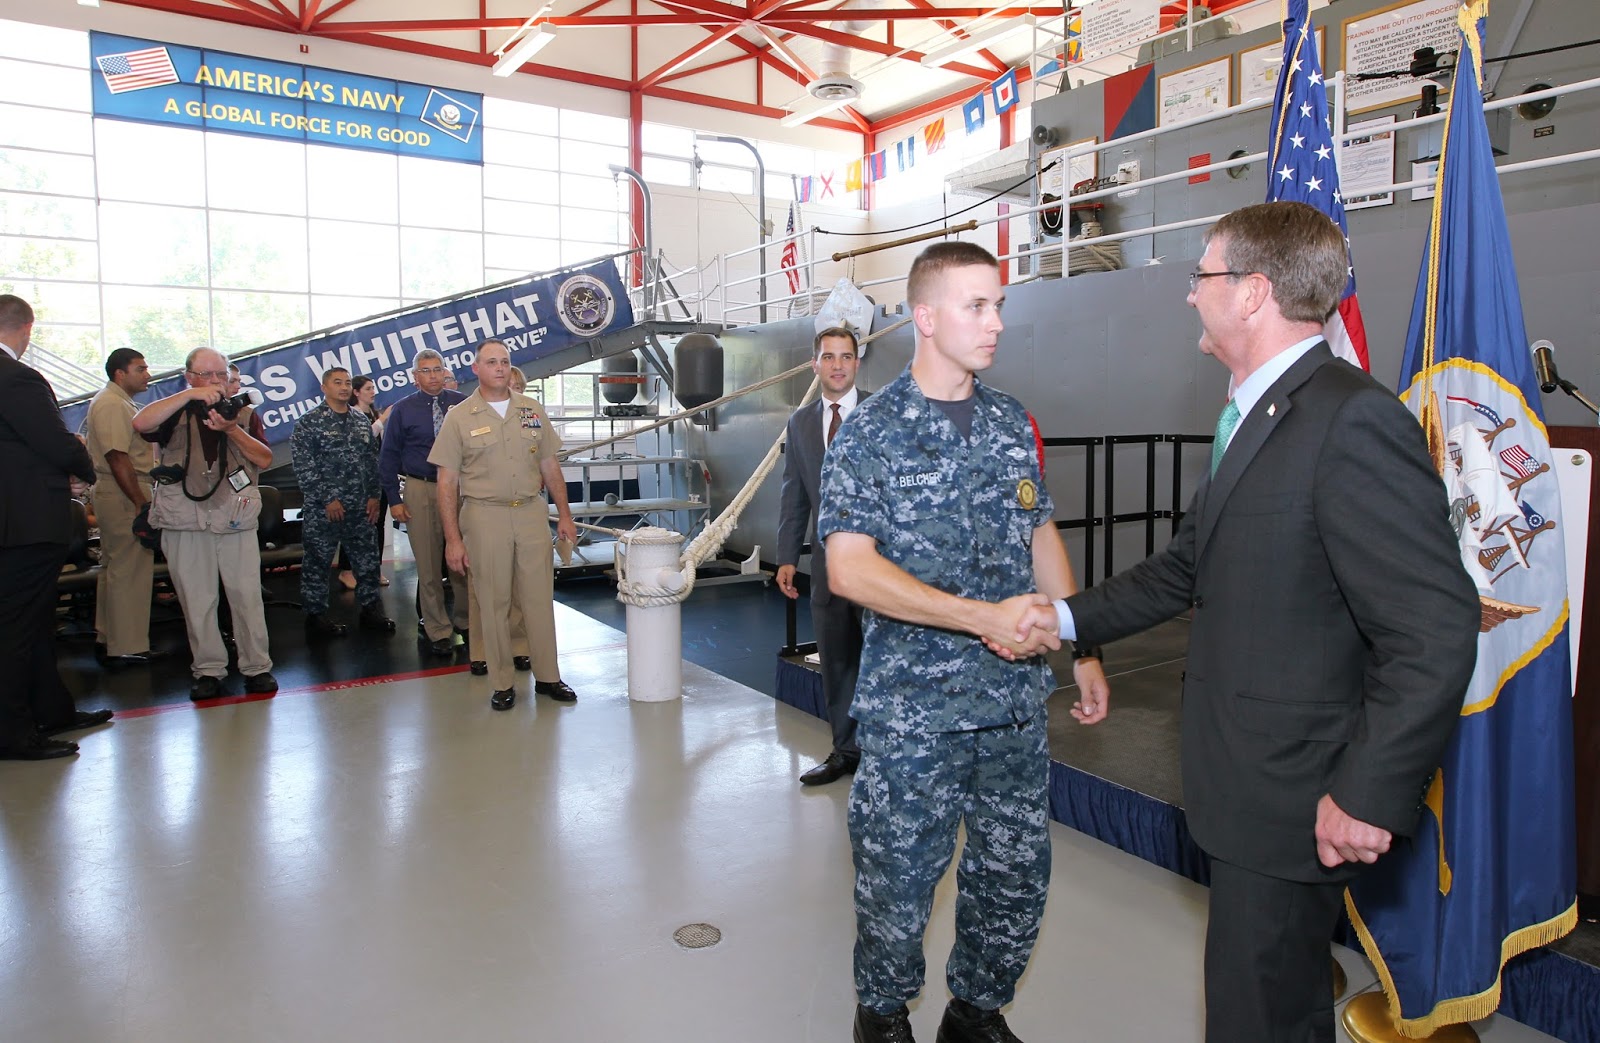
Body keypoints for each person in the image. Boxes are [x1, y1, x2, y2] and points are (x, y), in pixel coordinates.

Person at [1041, 201, 1480, 1043]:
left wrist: (1367, 792)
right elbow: (1184, 568)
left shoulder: (1351, 420)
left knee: (1259, 1016)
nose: (1189, 296)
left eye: (1201, 275)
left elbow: (1434, 629)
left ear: (1251, 292)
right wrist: (1058, 617)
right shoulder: (1258, 415)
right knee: (1267, 1006)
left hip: (1298, 795)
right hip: (1247, 790)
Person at [818, 243, 1109, 1043]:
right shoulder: (873, 431)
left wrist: (1081, 643)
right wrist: (977, 616)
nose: (996, 323)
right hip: (915, 713)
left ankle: (975, 1014)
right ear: (926, 316)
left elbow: (1040, 531)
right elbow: (849, 568)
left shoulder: (1012, 420)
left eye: (999, 305)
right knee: (897, 883)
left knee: (1013, 877)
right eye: (977, 306)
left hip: (1013, 708)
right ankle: (882, 1018)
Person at [430, 340, 578, 710]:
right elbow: (446, 483)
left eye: (505, 362)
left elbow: (549, 466)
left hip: (530, 511)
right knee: (494, 601)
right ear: (476, 369)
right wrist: (453, 540)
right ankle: (502, 681)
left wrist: (564, 515)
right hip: (484, 516)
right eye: (491, 362)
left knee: (539, 598)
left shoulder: (531, 409)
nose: (500, 368)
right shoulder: (460, 417)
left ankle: (548, 676)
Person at [0, 294, 113, 759]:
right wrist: (81, 461)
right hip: (26, 521)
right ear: (27, 328)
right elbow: (56, 441)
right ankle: (12, 734)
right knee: (17, 631)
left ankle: (53, 710)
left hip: (13, 518)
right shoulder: (17, 378)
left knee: (34, 622)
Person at [133, 346, 279, 701]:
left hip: (235, 515)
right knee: (197, 599)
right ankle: (208, 669)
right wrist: (189, 397)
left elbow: (264, 457)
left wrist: (231, 430)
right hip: (185, 517)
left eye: (221, 376)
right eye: (207, 376)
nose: (216, 382)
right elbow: (140, 423)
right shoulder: (173, 409)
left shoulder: (244, 413)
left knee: (246, 595)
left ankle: (257, 666)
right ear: (190, 377)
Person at [777, 326, 866, 786]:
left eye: (845, 357)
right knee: (836, 661)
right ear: (815, 364)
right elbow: (795, 495)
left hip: (882, 568)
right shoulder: (801, 423)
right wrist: (788, 556)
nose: (837, 365)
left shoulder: (884, 415)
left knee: (884, 660)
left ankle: (887, 756)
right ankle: (845, 750)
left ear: (857, 362)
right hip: (829, 566)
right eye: (828, 357)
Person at [289, 367, 395, 639]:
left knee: (367, 560)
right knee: (317, 563)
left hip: (361, 507)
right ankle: (316, 616)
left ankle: (370, 609)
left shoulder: (360, 421)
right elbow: (304, 467)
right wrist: (327, 499)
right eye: (338, 382)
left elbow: (372, 461)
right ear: (324, 388)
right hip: (325, 510)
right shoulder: (309, 423)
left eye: (348, 383)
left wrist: (374, 496)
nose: (344, 387)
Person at [378, 349, 470, 657]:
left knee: (462, 561)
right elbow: (388, 456)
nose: (433, 375)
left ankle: (466, 622)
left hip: (459, 489)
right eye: (426, 371)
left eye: (437, 369)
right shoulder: (402, 410)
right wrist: (394, 500)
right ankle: (437, 629)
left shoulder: (463, 404)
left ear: (445, 372)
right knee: (429, 565)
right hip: (420, 488)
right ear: (415, 376)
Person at [86, 347, 159, 666]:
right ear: (120, 373)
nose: (147, 374)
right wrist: (141, 504)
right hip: (124, 492)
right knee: (131, 570)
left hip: (118, 491)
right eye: (140, 369)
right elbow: (118, 457)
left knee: (115, 569)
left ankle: (108, 637)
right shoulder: (112, 404)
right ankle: (127, 647)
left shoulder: (117, 401)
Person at [336, 374, 391, 590]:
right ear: (356, 392)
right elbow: (364, 438)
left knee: (377, 525)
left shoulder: (372, 412)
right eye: (368, 388)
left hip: (377, 475)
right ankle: (347, 570)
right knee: (356, 525)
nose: (372, 392)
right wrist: (383, 419)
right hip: (358, 481)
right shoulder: (353, 415)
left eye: (373, 387)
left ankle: (374, 568)